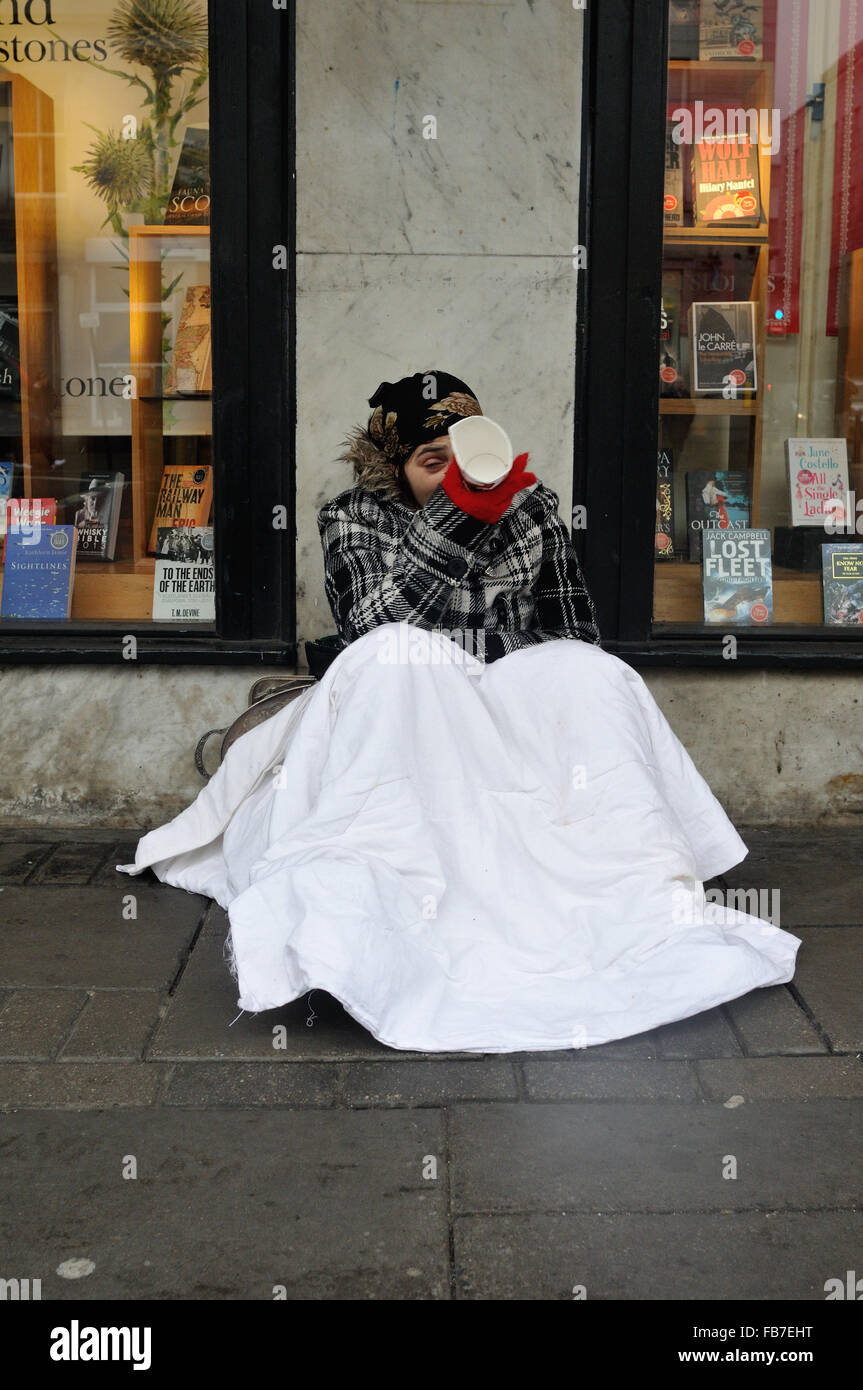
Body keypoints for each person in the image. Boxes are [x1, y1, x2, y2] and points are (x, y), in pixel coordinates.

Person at [118, 370, 800, 1053]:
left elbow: (570, 637)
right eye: (430, 461)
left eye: (460, 454)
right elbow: (369, 628)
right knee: (398, 656)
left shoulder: (531, 508)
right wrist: (457, 520)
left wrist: (487, 643)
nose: (450, 474)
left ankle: (625, 885)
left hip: (511, 709)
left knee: (594, 674)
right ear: (393, 465)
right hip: (408, 703)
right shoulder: (353, 515)